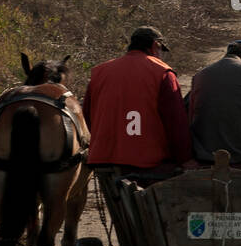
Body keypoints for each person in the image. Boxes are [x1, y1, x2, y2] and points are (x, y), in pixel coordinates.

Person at [81, 26, 193, 176]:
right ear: (155, 46)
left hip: (103, 159)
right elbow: (175, 122)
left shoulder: (100, 71)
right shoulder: (162, 72)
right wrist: (185, 159)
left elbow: (87, 114)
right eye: (161, 51)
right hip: (147, 162)